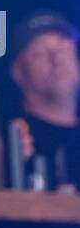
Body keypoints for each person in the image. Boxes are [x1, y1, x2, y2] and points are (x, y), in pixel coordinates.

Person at [7, 11, 80, 190]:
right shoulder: (10, 144)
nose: (56, 60)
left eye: (63, 50)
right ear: (18, 71)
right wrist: (2, 164)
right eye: (41, 53)